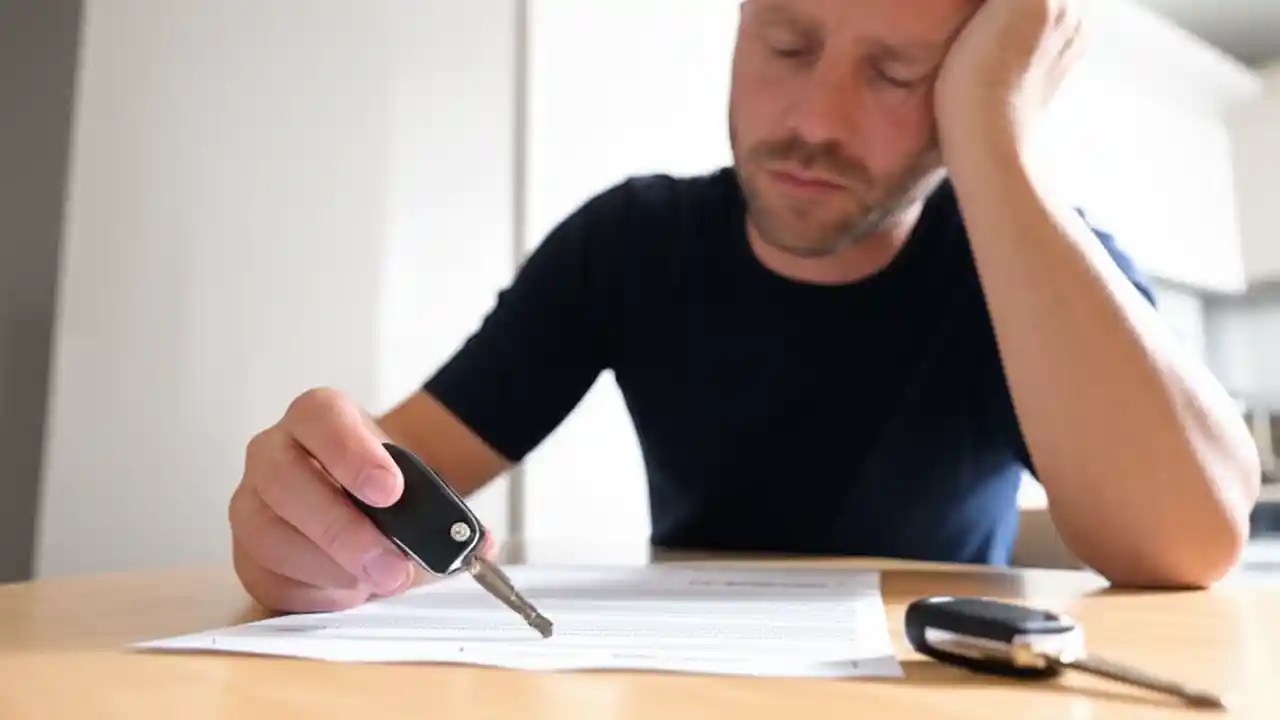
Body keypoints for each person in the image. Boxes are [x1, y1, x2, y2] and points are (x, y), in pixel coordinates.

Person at [228, 0, 1262, 613]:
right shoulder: (627, 244)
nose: (816, 121)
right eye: (786, 44)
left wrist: (993, 137)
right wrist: (307, 526)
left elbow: (1187, 546)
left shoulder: (1030, 260)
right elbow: (384, 491)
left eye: (898, 75)